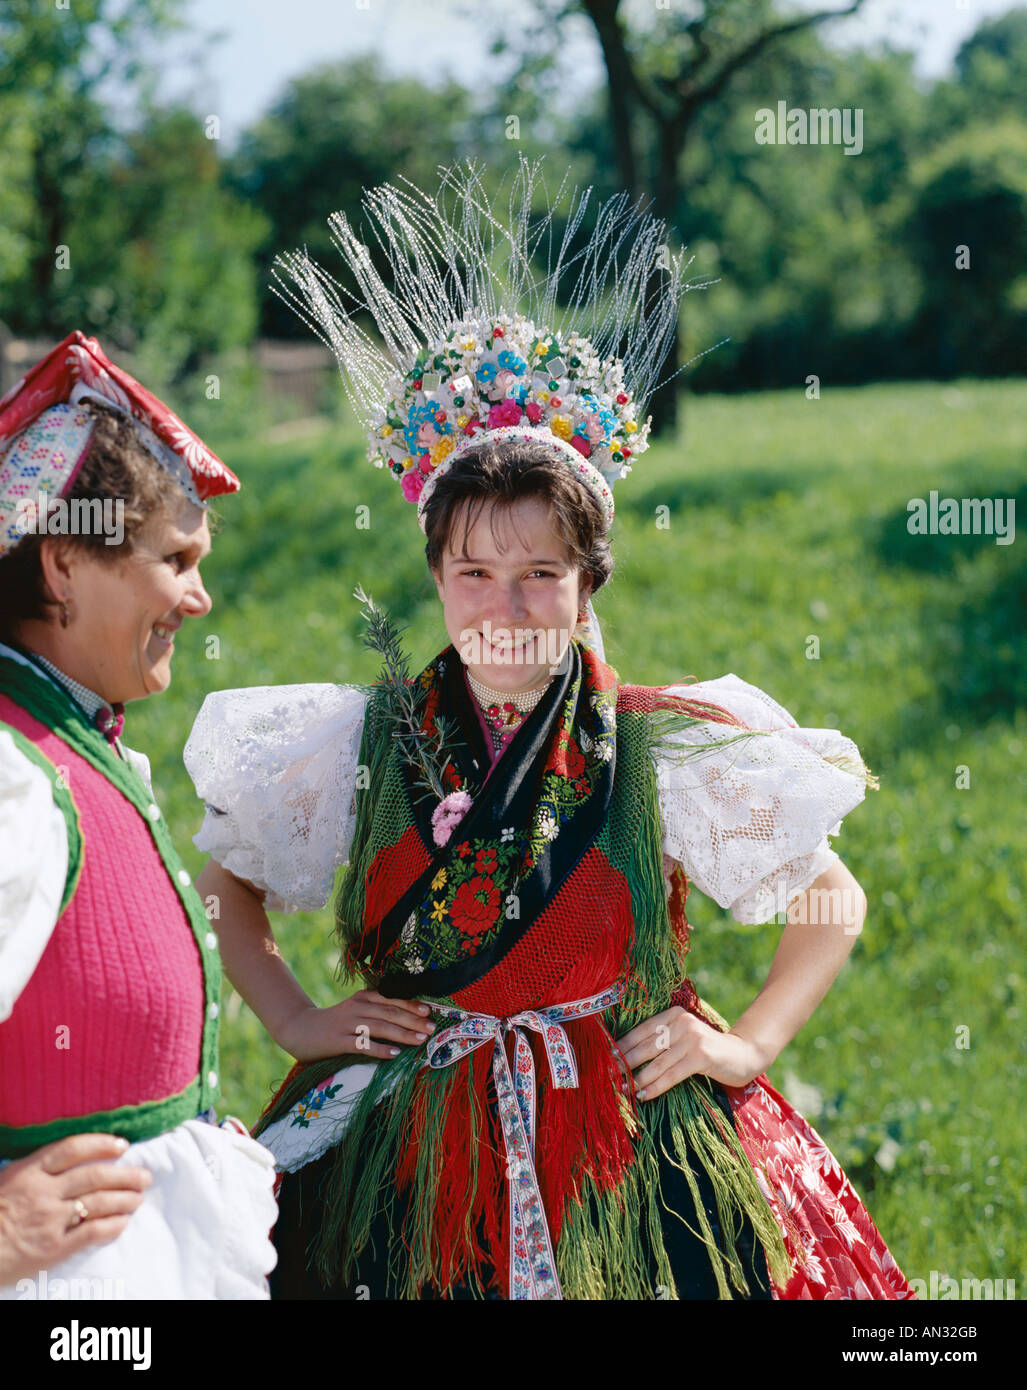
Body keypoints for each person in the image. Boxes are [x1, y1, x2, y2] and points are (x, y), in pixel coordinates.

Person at [183, 162, 916, 1300]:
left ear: (588, 584)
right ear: (434, 577)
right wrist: (295, 1017)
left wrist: (746, 1045)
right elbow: (227, 882)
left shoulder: (659, 747)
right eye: (473, 573)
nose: (507, 607)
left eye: (540, 574)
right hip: (410, 1140)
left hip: (623, 1143)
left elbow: (835, 899)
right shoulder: (362, 743)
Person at [0, 331, 277, 1298]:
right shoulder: (12, 771)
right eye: (176, 559)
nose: (200, 598)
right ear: (66, 565)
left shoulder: (73, 743)